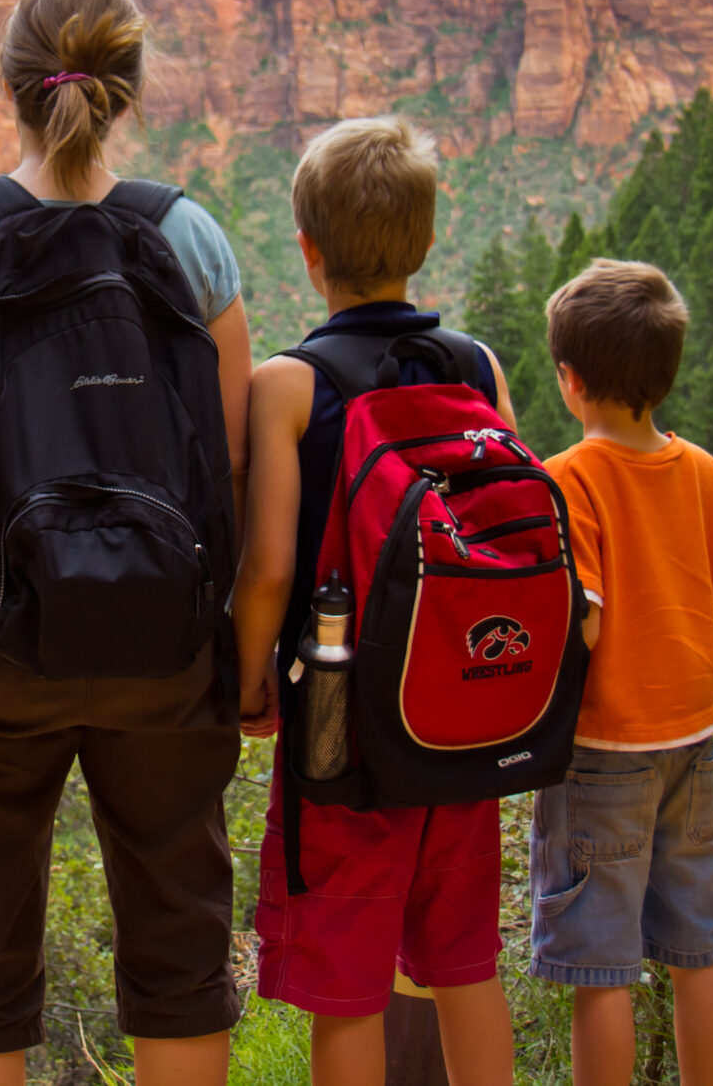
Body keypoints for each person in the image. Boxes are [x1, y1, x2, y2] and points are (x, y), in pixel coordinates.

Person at [0, 0, 252, 1086]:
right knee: (180, 937)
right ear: (126, 89)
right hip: (165, 645)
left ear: (13, 85)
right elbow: (228, 461)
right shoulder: (191, 235)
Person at [232, 116, 522, 1086]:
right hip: (461, 711)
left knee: (346, 985)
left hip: (340, 724)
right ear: (427, 239)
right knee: (464, 963)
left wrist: (250, 681)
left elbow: (269, 567)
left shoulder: (286, 385)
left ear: (307, 250)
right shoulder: (476, 367)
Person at [532, 259, 713, 1086]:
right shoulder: (703, 470)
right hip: (692, 734)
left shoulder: (568, 478)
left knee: (601, 965)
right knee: (699, 946)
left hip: (603, 745)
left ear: (571, 379)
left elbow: (583, 620)